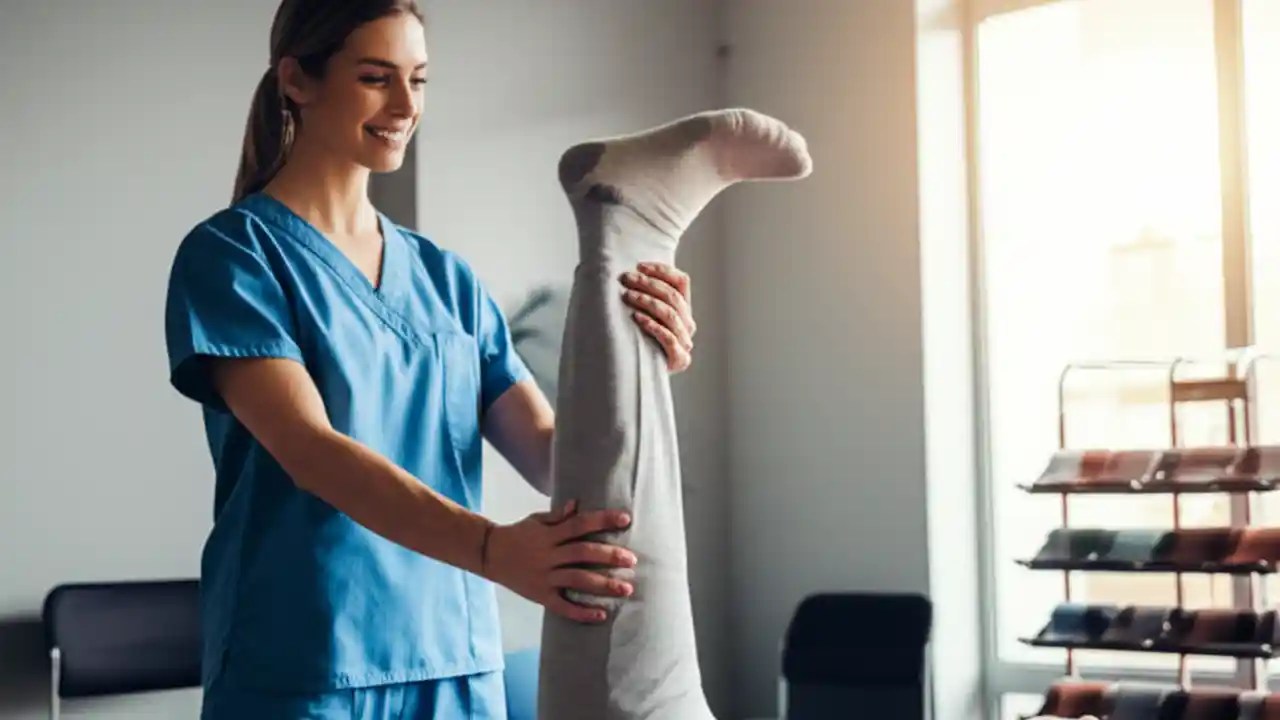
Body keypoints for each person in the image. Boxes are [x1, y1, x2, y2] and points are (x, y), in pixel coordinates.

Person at [162, 2, 699, 718]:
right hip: (305, 660)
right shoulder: (235, 256)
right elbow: (310, 451)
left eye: (419, 79)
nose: (406, 105)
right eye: (376, 77)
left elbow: (552, 458)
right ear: (297, 80)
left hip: (456, 663)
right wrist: (491, 550)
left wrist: (644, 363)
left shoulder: (447, 280)